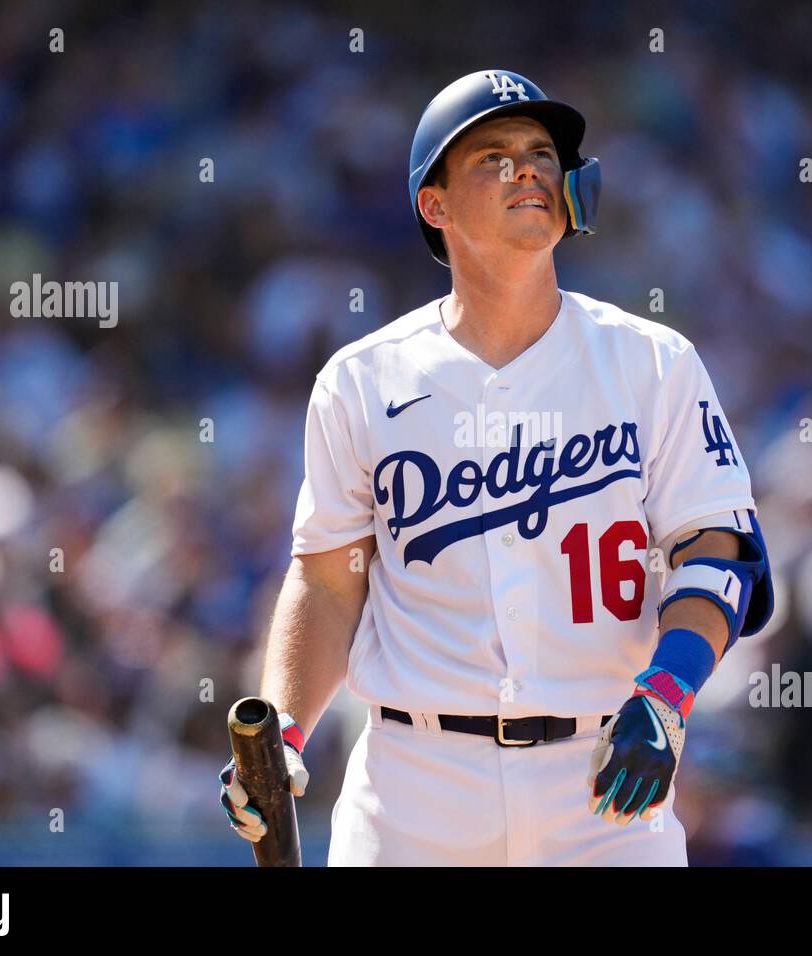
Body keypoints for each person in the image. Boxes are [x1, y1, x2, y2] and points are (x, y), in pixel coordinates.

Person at [219, 69, 773, 865]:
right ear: (433, 205)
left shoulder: (653, 362)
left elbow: (720, 552)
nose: (527, 170)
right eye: (492, 156)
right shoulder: (363, 379)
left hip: (603, 784)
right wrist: (285, 733)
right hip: (415, 790)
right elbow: (330, 579)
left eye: (542, 153)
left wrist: (669, 693)